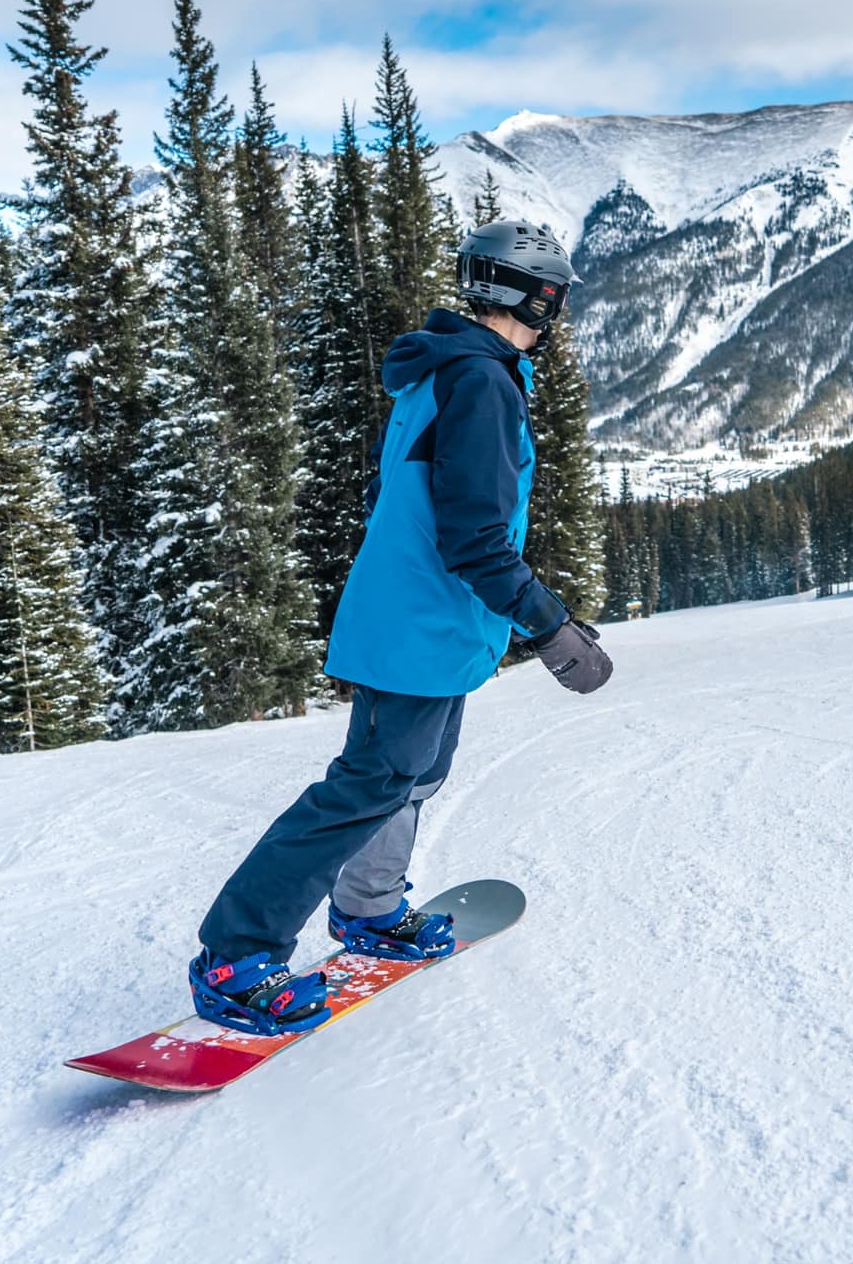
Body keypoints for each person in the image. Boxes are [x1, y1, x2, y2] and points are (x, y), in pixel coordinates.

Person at [187, 220, 614, 1035]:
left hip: (432, 622)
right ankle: (235, 956)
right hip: (419, 622)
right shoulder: (481, 382)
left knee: (415, 773)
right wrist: (553, 632)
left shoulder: (453, 369)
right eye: (555, 296)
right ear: (538, 298)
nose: (555, 312)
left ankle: (369, 907)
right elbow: (476, 539)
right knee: (366, 785)